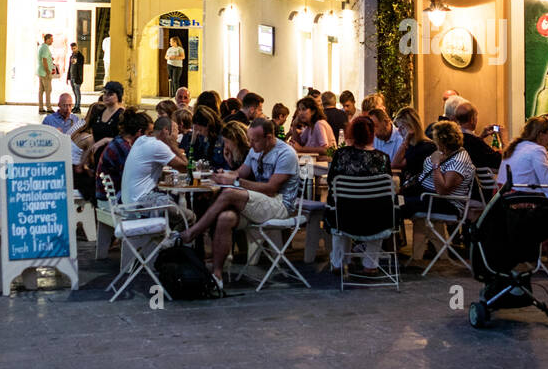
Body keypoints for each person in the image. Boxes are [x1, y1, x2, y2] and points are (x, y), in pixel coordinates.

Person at [179, 118, 302, 293]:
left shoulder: (286, 154)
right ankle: (217, 275)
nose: (250, 144)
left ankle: (192, 232)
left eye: (255, 140)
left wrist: (235, 181)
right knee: (225, 218)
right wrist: (224, 173)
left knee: (230, 193)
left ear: (269, 137)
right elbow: (240, 173)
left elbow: (270, 188)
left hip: (281, 205)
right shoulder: (255, 150)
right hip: (260, 202)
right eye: (249, 139)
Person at [400, 120, 475, 267]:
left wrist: (435, 165)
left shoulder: (459, 160)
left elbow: (443, 189)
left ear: (441, 141)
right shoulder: (445, 153)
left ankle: (381, 247)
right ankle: (420, 257)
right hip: (429, 197)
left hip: (447, 203)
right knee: (399, 202)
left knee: (400, 208)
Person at [325, 114, 393, 273]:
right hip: (376, 220)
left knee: (337, 207)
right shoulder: (383, 158)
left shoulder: (341, 155)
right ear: (372, 134)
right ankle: (370, 265)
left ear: (352, 133)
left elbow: (331, 182)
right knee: (378, 207)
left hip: (345, 216)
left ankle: (338, 262)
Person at [122, 114, 187, 210]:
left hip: (129, 200)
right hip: (141, 202)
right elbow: (185, 167)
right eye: (176, 131)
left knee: (174, 202)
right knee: (189, 216)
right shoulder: (158, 145)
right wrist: (171, 144)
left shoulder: (141, 139)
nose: (177, 136)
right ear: (166, 131)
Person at [95, 108, 152, 203]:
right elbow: (136, 178)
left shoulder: (120, 142)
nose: (151, 138)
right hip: (112, 199)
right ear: (139, 132)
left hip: (111, 195)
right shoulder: (123, 149)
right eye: (149, 133)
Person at [497, 117, 548, 191]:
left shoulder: (515, 145)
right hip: (518, 198)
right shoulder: (537, 150)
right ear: (541, 135)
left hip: (501, 197)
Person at [451, 100, 502, 171]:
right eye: (476, 116)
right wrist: (504, 138)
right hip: (483, 181)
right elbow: (499, 161)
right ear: (472, 119)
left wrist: (480, 137)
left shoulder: (454, 138)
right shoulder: (474, 142)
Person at [391, 106, 435, 181]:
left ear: (412, 127)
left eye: (402, 128)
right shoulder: (411, 145)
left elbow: (395, 164)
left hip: (418, 189)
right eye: (398, 127)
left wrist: (406, 140)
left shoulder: (425, 147)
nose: (399, 131)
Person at [36, 32, 54, 114]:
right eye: (51, 39)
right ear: (47, 39)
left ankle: (40, 107)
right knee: (48, 90)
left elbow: (44, 58)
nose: (52, 41)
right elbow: (44, 60)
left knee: (41, 91)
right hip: (45, 72)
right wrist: (48, 71)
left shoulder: (41, 47)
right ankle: (49, 108)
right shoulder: (46, 47)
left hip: (40, 72)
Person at [66, 42, 85, 108]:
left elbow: (80, 68)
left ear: (77, 47)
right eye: (72, 49)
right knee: (74, 92)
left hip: (77, 77)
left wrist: (79, 78)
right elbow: (70, 67)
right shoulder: (71, 56)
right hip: (72, 77)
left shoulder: (80, 56)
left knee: (77, 92)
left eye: (74, 48)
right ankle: (76, 106)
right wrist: (68, 77)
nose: (73, 50)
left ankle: (78, 106)